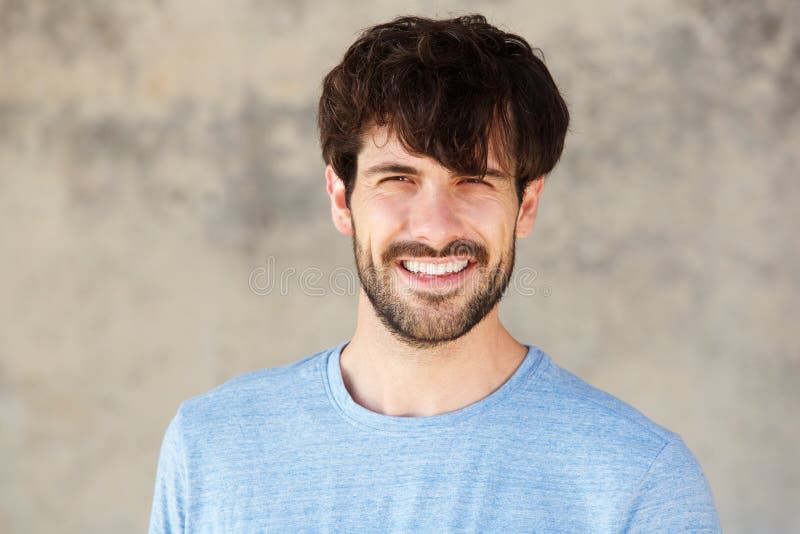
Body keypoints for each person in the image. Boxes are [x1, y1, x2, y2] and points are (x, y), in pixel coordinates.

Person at [149, 14, 721, 532]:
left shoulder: (637, 482)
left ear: (525, 206)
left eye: (473, 179)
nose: (436, 227)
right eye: (397, 178)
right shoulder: (211, 450)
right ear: (341, 199)